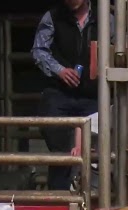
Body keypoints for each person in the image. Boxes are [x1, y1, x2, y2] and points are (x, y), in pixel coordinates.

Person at [32, 0, 100, 190]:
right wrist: (59, 70)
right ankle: (59, 196)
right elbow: (39, 50)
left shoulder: (105, 19)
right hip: (59, 93)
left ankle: (92, 195)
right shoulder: (53, 17)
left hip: (92, 95)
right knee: (60, 149)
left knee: (95, 150)